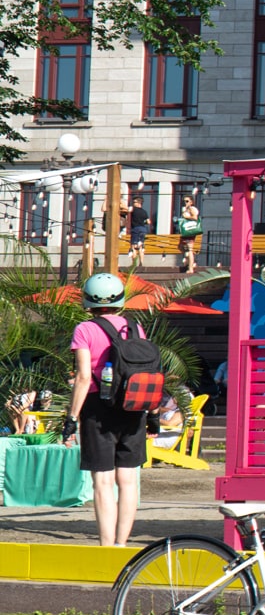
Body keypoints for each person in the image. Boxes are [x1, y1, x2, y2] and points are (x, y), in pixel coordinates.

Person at [64, 273, 148, 547]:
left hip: (98, 408)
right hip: (134, 407)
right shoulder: (136, 328)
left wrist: (71, 418)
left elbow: (84, 377)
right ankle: (122, 544)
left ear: (88, 299)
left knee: (102, 480)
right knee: (127, 479)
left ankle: (106, 544)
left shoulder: (85, 330)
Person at [124, 193, 152, 271]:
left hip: (135, 229)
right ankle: (141, 262)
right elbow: (148, 222)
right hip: (143, 229)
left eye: (134, 202)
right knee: (141, 246)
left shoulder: (133, 209)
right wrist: (142, 222)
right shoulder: (144, 212)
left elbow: (126, 210)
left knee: (133, 246)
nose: (133, 203)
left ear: (138, 202)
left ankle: (134, 264)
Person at [176, 193, 202, 274]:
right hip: (185, 231)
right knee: (181, 247)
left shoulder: (192, 209)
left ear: (191, 202)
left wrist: (187, 217)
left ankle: (191, 268)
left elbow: (195, 218)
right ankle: (189, 262)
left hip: (190, 231)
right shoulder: (185, 209)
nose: (185, 203)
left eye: (187, 201)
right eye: (184, 201)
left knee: (189, 249)